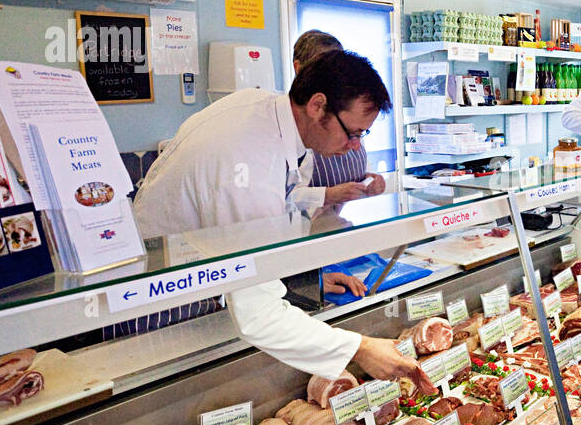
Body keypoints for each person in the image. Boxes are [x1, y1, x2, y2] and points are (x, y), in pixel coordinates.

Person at [132, 49, 431, 387]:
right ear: (318, 106)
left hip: (205, 285)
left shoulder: (266, 115)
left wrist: (307, 279)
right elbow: (256, 314)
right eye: (353, 133)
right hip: (165, 310)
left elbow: (281, 206)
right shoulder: (246, 160)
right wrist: (359, 348)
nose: (355, 146)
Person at [290, 30, 386, 209]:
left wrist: (369, 182)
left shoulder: (348, 114)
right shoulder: (293, 127)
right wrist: (327, 195)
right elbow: (283, 198)